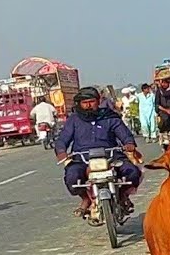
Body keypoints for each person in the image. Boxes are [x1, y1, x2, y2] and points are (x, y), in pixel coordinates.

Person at [54, 87, 142, 217]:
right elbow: (62, 139)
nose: (88, 105)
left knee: (132, 172)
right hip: (82, 159)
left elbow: (124, 134)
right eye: (85, 103)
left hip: (111, 156)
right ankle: (85, 199)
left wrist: (129, 143)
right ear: (79, 104)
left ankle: (123, 195)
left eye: (92, 102)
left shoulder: (109, 117)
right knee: (72, 177)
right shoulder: (74, 120)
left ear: (98, 101)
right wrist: (61, 151)